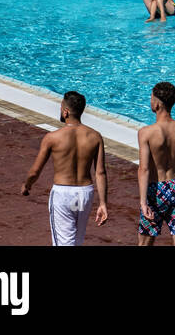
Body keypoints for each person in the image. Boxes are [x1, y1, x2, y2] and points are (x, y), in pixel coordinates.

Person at [21, 91, 109, 246]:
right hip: (84, 193)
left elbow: (35, 171)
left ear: (65, 111)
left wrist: (27, 185)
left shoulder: (53, 138)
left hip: (63, 194)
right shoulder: (95, 137)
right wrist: (103, 203)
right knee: (76, 240)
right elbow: (100, 172)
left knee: (63, 242)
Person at [137, 82, 175, 246]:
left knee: (146, 240)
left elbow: (144, 169)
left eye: (152, 97)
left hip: (155, 188)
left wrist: (142, 202)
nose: (150, 100)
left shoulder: (146, 132)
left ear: (158, 103)